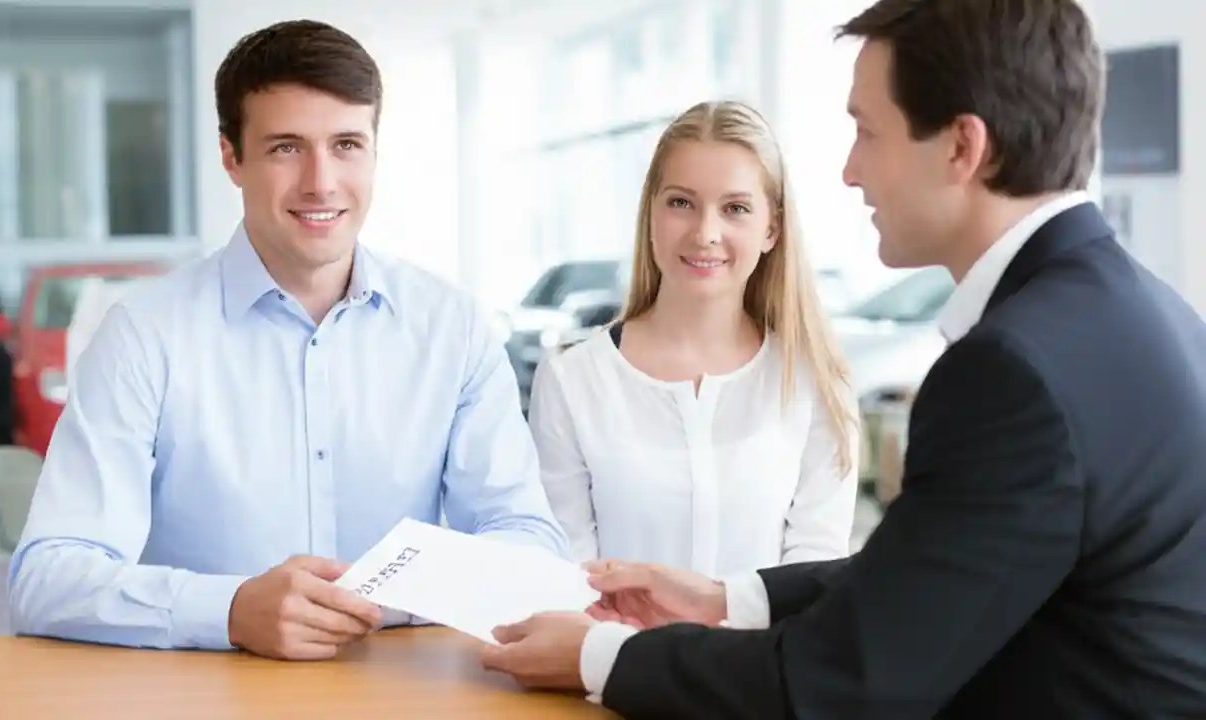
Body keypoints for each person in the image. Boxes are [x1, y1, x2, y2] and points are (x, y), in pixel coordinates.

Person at [480, 1, 1206, 717]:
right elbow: (935, 576)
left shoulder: (1013, 370)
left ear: (961, 147)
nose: (851, 172)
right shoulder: (1149, 314)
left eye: (867, 131)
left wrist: (593, 656)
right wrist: (730, 597)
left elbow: (847, 680)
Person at [8, 19, 567, 661]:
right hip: (207, 695)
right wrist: (230, 610)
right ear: (231, 157)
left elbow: (527, 540)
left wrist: (390, 597)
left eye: (347, 144)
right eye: (285, 148)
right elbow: (47, 579)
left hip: (405, 692)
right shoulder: (143, 334)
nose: (321, 182)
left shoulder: (454, 327)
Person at [528, 101, 858, 579]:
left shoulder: (815, 381)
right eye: (681, 203)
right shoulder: (572, 381)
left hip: (762, 655)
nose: (706, 233)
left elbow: (813, 576)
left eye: (735, 209)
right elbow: (568, 575)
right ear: (651, 215)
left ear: (772, 230)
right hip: (614, 654)